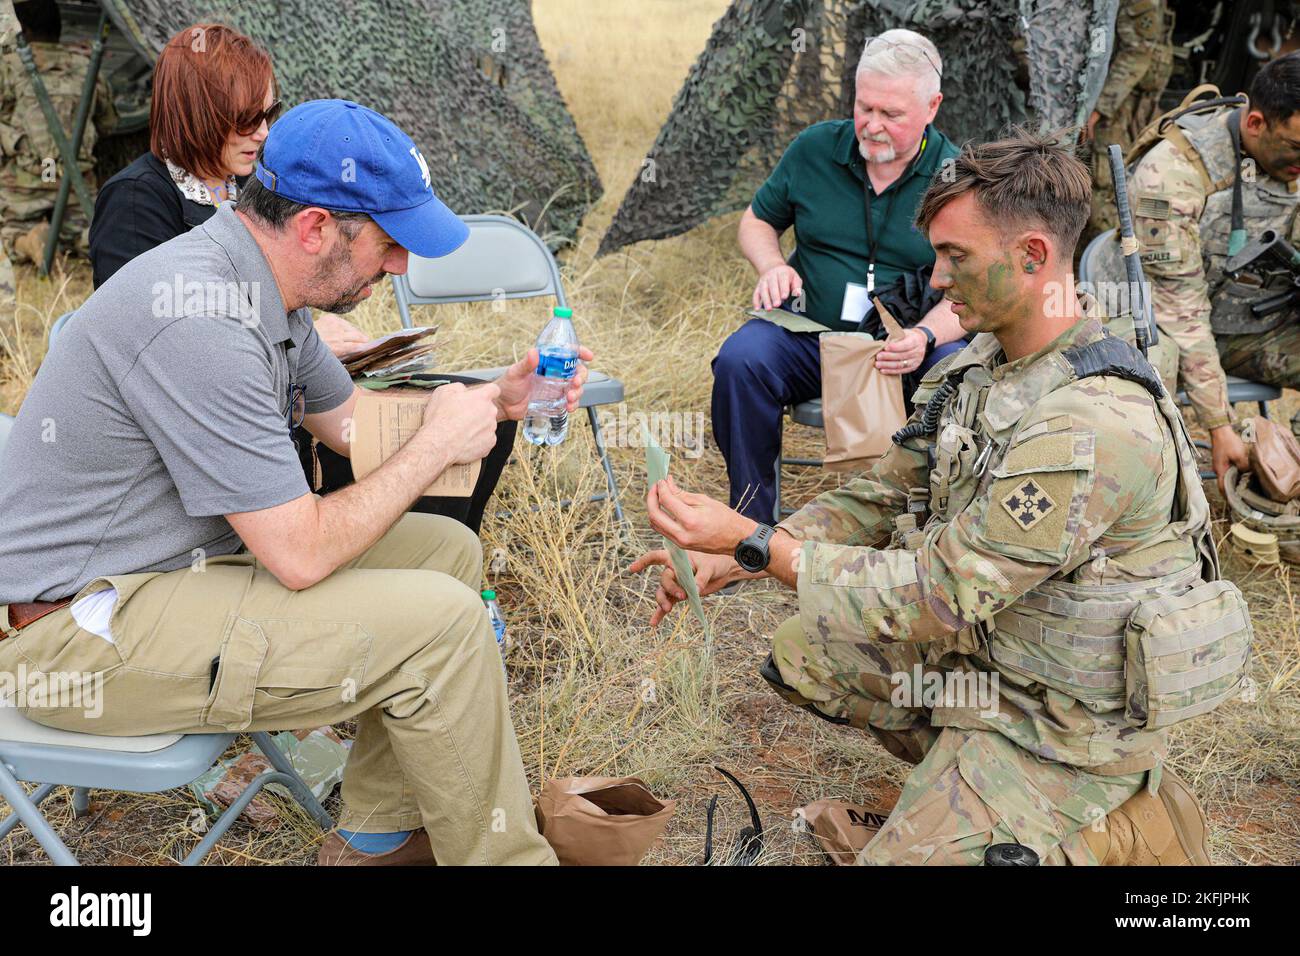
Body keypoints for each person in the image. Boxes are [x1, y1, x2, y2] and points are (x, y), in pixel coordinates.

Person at [0, 99, 596, 866]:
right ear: (316, 227)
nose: (402, 266)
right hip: (78, 636)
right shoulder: (201, 318)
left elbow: (354, 427)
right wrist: (435, 446)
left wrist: (495, 402)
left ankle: (376, 841)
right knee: (444, 625)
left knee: (444, 552)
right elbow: (300, 554)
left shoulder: (260, 285)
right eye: (390, 243)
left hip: (162, 581)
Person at [632, 129, 1235, 865]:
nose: (937, 279)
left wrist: (758, 543)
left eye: (956, 257)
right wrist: (740, 558)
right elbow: (881, 499)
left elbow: (937, 594)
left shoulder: (1092, 424)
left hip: (1064, 727)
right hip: (991, 669)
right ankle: (962, 792)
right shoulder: (981, 367)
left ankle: (1109, 825)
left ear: (1033, 256)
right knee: (804, 651)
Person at [714, 29, 966, 524]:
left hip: (904, 347)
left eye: (890, 114)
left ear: (931, 107)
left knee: (956, 368)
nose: (871, 126)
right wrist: (772, 266)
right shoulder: (814, 148)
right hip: (813, 336)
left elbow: (972, 288)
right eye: (863, 107)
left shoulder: (956, 177)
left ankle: (934, 524)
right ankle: (749, 523)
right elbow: (757, 221)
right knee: (740, 360)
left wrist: (925, 335)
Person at [87, 22, 364, 358]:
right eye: (246, 119)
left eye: (268, 114)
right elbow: (147, 336)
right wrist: (297, 345)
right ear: (197, 113)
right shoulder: (134, 201)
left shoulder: (252, 184)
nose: (263, 132)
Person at [1131, 51, 1300, 488]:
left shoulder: (1283, 152)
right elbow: (1179, 312)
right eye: (1297, 148)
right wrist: (1219, 424)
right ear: (1256, 123)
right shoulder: (1168, 177)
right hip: (1163, 324)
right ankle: (1151, 505)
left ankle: (1286, 475)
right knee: (1147, 381)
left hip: (1254, 316)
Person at [0, 0, 115, 319]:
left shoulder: (9, 68)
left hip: (25, 186)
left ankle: (28, 239)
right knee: (89, 233)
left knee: (8, 232)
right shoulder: (86, 66)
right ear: (59, 29)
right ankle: (73, 236)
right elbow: (109, 124)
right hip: (76, 186)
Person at [1081, 0, 1174, 241]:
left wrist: (1097, 109)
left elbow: (1137, 55)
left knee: (1106, 186)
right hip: (1102, 98)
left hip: (1119, 106)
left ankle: (1102, 259)